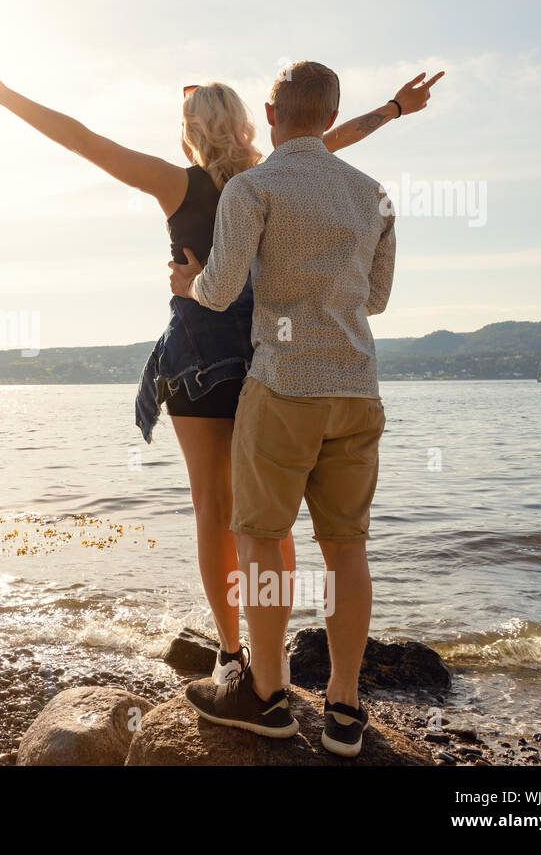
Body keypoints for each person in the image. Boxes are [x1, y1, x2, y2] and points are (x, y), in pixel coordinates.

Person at [0, 59, 439, 690]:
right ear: (249, 123)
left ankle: (231, 652)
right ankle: (281, 657)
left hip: (199, 358)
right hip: (272, 359)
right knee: (271, 521)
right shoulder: (278, 174)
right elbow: (337, 136)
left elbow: (83, 140)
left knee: (215, 509)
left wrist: (2, 94)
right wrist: (395, 110)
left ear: (191, 129)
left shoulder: (174, 182)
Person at [170, 60, 406, 757]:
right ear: (331, 119)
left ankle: (265, 695)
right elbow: (378, 299)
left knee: (260, 539)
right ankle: (343, 708)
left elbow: (219, 289)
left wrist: (188, 284)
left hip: (281, 390)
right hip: (356, 389)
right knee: (346, 550)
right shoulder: (373, 194)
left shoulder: (254, 186)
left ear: (270, 118)